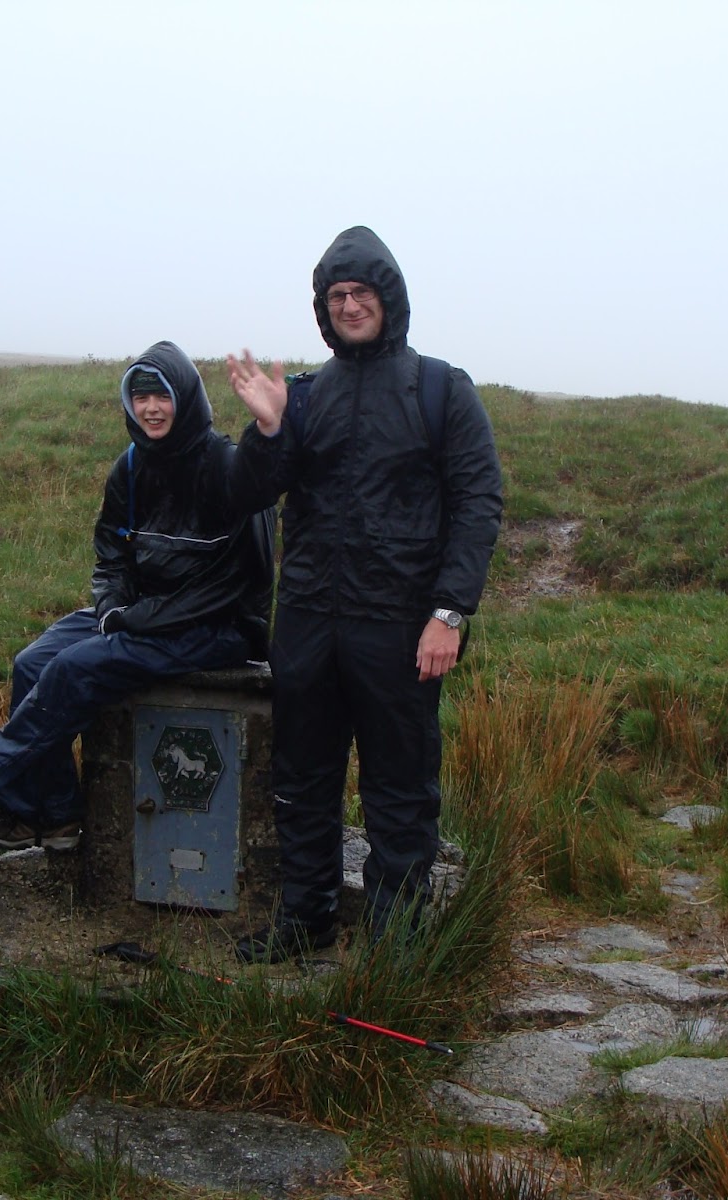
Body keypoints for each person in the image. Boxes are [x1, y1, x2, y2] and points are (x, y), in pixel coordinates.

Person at [224, 225, 504, 963]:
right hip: (310, 623)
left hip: (400, 627)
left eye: (360, 293)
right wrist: (268, 427)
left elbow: (479, 503)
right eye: (335, 296)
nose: (348, 306)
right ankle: (305, 918)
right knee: (301, 782)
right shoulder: (305, 397)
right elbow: (249, 492)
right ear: (323, 308)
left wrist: (450, 613)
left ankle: (394, 943)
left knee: (401, 790)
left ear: (389, 298)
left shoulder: (441, 389)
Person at [0, 341, 274, 851]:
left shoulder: (227, 469)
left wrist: (139, 620)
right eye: (139, 397)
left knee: (74, 669)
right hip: (138, 613)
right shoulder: (131, 468)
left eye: (161, 396)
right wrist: (113, 607)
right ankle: (55, 816)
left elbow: (239, 584)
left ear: (186, 398)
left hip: (216, 629)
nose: (151, 409)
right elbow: (110, 553)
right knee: (33, 663)